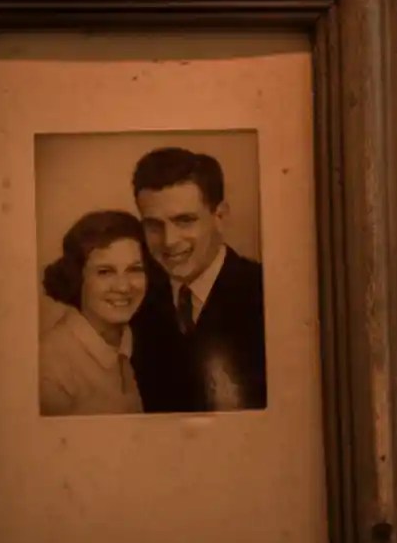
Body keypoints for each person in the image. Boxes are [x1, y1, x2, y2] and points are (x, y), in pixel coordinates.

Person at [129, 147, 267, 412]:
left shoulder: (264, 293)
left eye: (185, 221)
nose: (169, 241)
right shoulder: (136, 298)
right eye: (153, 225)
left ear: (220, 217)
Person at [38, 210, 149, 416]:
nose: (124, 287)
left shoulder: (130, 344)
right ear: (78, 278)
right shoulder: (51, 369)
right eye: (105, 272)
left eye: (135, 269)